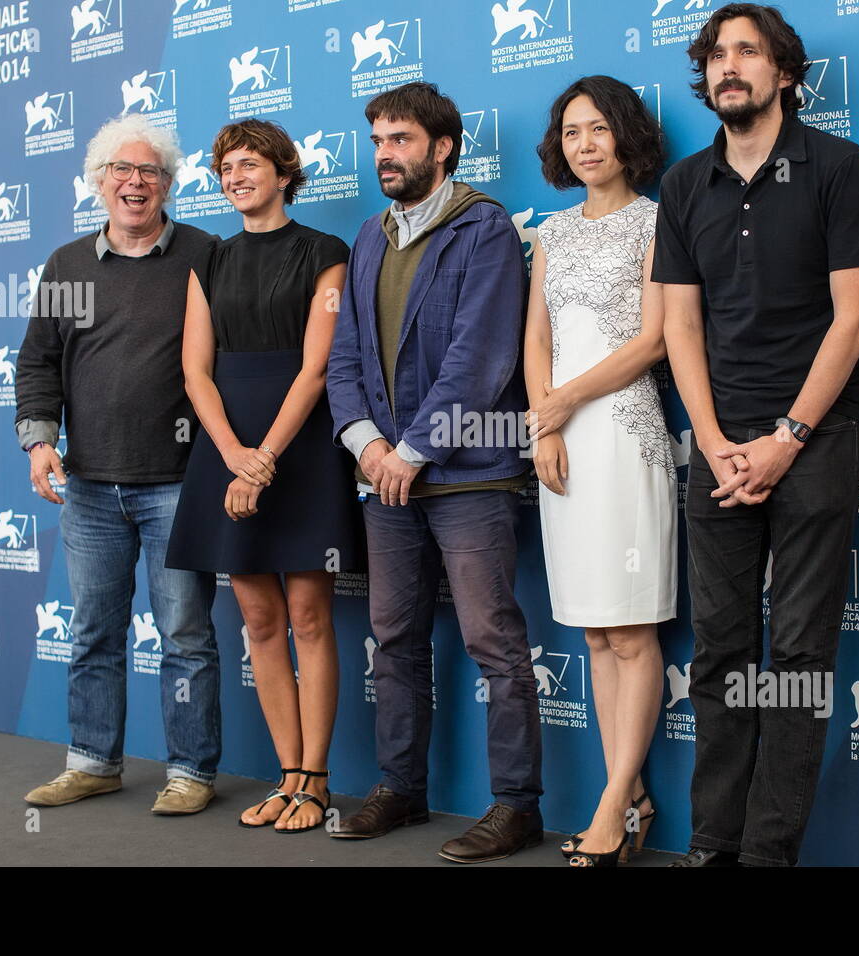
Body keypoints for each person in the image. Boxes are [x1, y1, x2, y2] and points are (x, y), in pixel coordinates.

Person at [653, 3, 859, 866]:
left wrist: (789, 436)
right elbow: (679, 329)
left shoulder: (838, 167)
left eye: (748, 52)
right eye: (717, 54)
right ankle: (712, 846)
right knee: (720, 652)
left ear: (786, 74)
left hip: (818, 439)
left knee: (796, 652)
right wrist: (714, 439)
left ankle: (768, 854)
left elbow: (856, 319)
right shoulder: (686, 185)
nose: (729, 66)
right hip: (720, 445)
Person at [326, 81, 543, 863]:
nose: (385, 153)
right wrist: (367, 447)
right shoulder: (367, 236)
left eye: (401, 139)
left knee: (493, 641)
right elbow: (343, 357)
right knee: (394, 638)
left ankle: (517, 806)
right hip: (382, 475)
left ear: (442, 147)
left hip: (468, 475)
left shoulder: (482, 228)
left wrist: (410, 453)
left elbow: (479, 360)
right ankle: (402, 790)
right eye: (378, 139)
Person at [17, 113, 222, 815]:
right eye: (122, 172)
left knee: (187, 636)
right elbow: (38, 362)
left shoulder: (205, 254)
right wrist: (41, 441)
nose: (136, 183)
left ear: (169, 183)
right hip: (90, 487)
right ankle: (93, 761)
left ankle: (192, 771)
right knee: (93, 632)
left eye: (151, 172)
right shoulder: (68, 266)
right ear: (99, 183)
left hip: (179, 482)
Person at [164, 119, 359, 833]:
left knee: (309, 616)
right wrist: (232, 452)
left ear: (285, 174)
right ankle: (286, 776)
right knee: (257, 617)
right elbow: (195, 368)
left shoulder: (326, 253)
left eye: (251, 164)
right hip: (226, 444)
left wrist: (266, 457)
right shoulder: (207, 261)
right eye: (225, 168)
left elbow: (315, 368)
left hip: (300, 446)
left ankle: (317, 779)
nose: (236, 176)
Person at [524, 75, 674, 868]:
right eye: (572, 131)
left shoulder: (660, 221)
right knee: (592, 628)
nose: (585, 144)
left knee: (631, 625)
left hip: (623, 432)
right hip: (563, 445)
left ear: (627, 138)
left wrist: (562, 406)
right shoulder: (550, 231)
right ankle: (633, 792)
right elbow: (536, 339)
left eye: (599, 129)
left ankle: (612, 804)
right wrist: (542, 425)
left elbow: (654, 340)